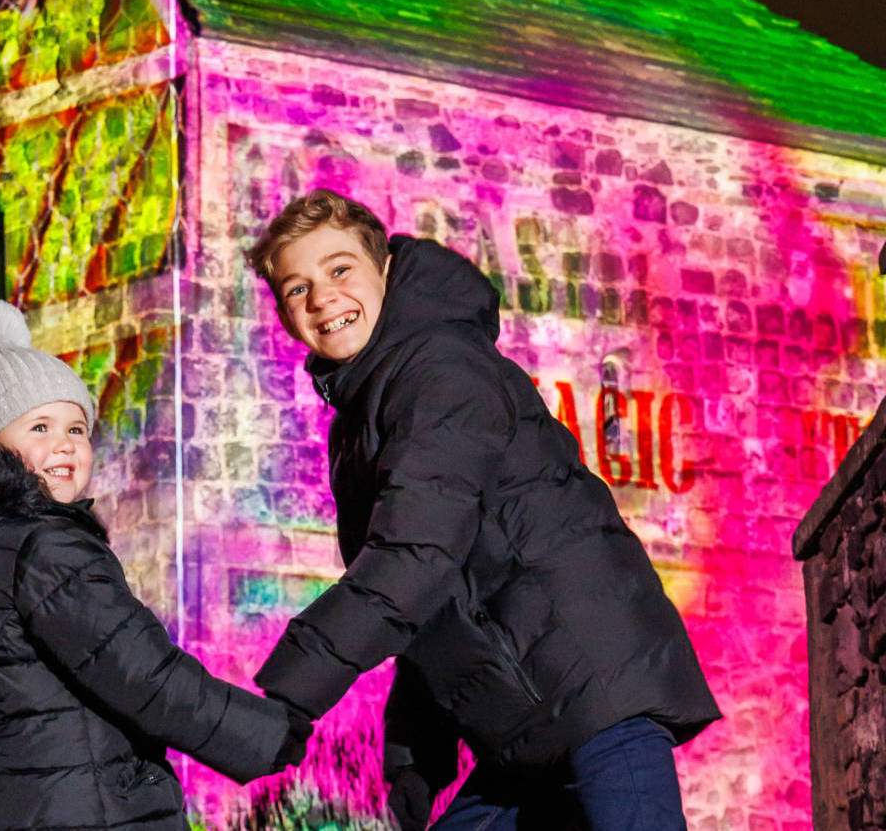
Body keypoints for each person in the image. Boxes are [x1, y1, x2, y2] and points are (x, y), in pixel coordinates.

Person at [245, 189, 721, 831]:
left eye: (339, 269)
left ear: (385, 267)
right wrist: (418, 755)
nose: (322, 298)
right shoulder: (364, 412)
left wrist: (286, 697)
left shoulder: (440, 370)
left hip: (595, 686)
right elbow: (437, 595)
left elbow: (413, 559)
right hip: (528, 717)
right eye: (297, 288)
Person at [0, 299, 309, 831]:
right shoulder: (41, 548)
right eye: (39, 428)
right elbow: (137, 670)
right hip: (88, 809)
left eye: (77, 429)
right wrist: (263, 733)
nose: (64, 445)